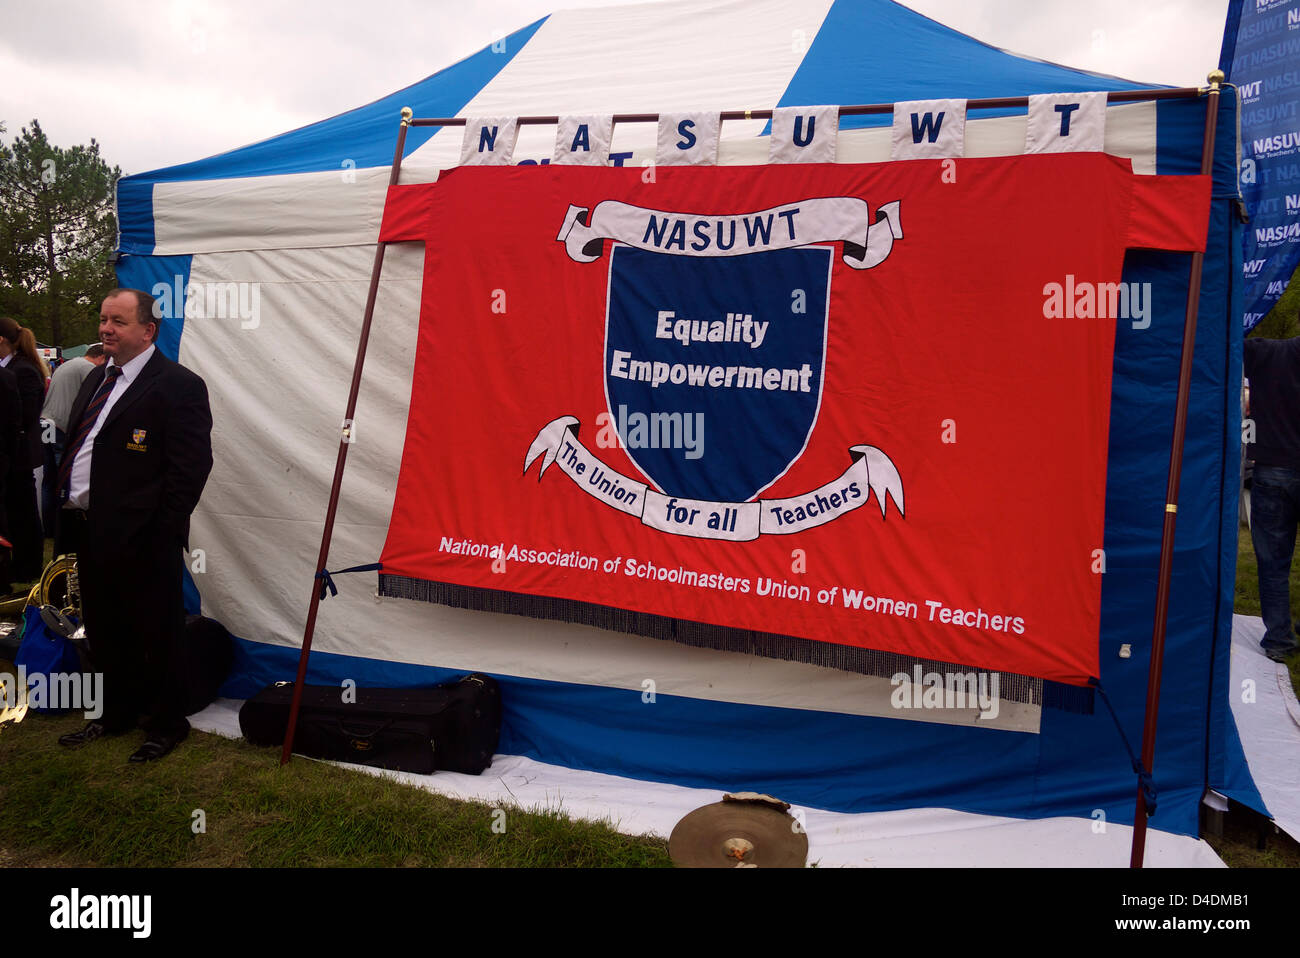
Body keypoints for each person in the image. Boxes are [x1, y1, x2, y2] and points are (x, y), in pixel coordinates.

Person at [55, 288, 213, 762]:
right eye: (104, 319)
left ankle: (166, 723)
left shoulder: (178, 385)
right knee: (104, 628)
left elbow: (190, 468)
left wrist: (162, 529)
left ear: (148, 330)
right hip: (89, 528)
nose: (106, 329)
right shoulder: (96, 377)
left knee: (156, 632)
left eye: (118, 322)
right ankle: (115, 713)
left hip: (145, 537)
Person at [1244, 334, 1300, 663]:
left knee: (1273, 563)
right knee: (1274, 561)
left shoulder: (1268, 353)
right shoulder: (1269, 352)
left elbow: (1228, 331)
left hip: (1273, 467)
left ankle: (1279, 638)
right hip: (1274, 467)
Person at [0, 317, 49, 583]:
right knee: (13, 512)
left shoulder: (24, 370)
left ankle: (28, 567)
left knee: (24, 513)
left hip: (19, 455)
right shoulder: (11, 368)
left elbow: (27, 416)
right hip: (10, 453)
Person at [40, 343, 105, 536]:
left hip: (46, 422)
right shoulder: (88, 368)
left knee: (48, 479)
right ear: (100, 357)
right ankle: (63, 528)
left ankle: (48, 527)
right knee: (64, 479)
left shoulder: (66, 365)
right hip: (62, 426)